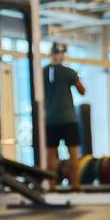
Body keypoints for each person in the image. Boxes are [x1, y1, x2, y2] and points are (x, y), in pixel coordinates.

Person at [42, 42, 87, 190]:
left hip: (50, 120)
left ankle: (52, 187)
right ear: (62, 55)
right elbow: (82, 91)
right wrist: (76, 78)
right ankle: (75, 186)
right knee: (73, 155)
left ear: (51, 54)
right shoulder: (69, 72)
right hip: (68, 119)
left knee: (51, 156)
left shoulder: (42, 72)